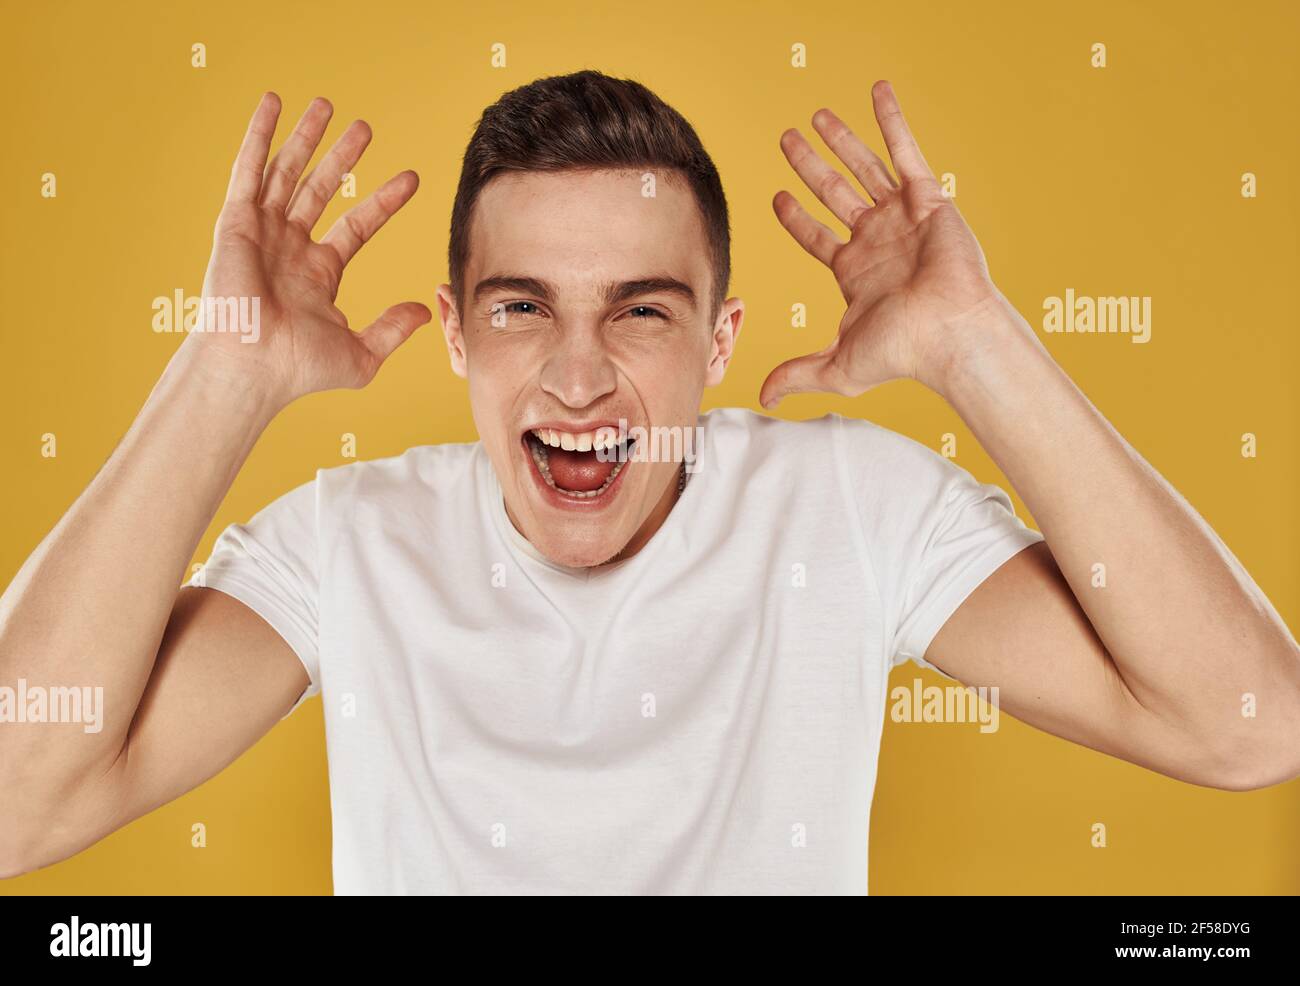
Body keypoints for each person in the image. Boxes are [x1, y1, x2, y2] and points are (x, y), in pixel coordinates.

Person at [1, 70, 1296, 894]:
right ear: (453, 332)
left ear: (720, 342)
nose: (576, 378)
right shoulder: (353, 544)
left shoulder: (843, 508)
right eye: (521, 309)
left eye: (640, 311)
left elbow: (1251, 721)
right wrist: (224, 376)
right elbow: (16, 804)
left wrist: (977, 346)